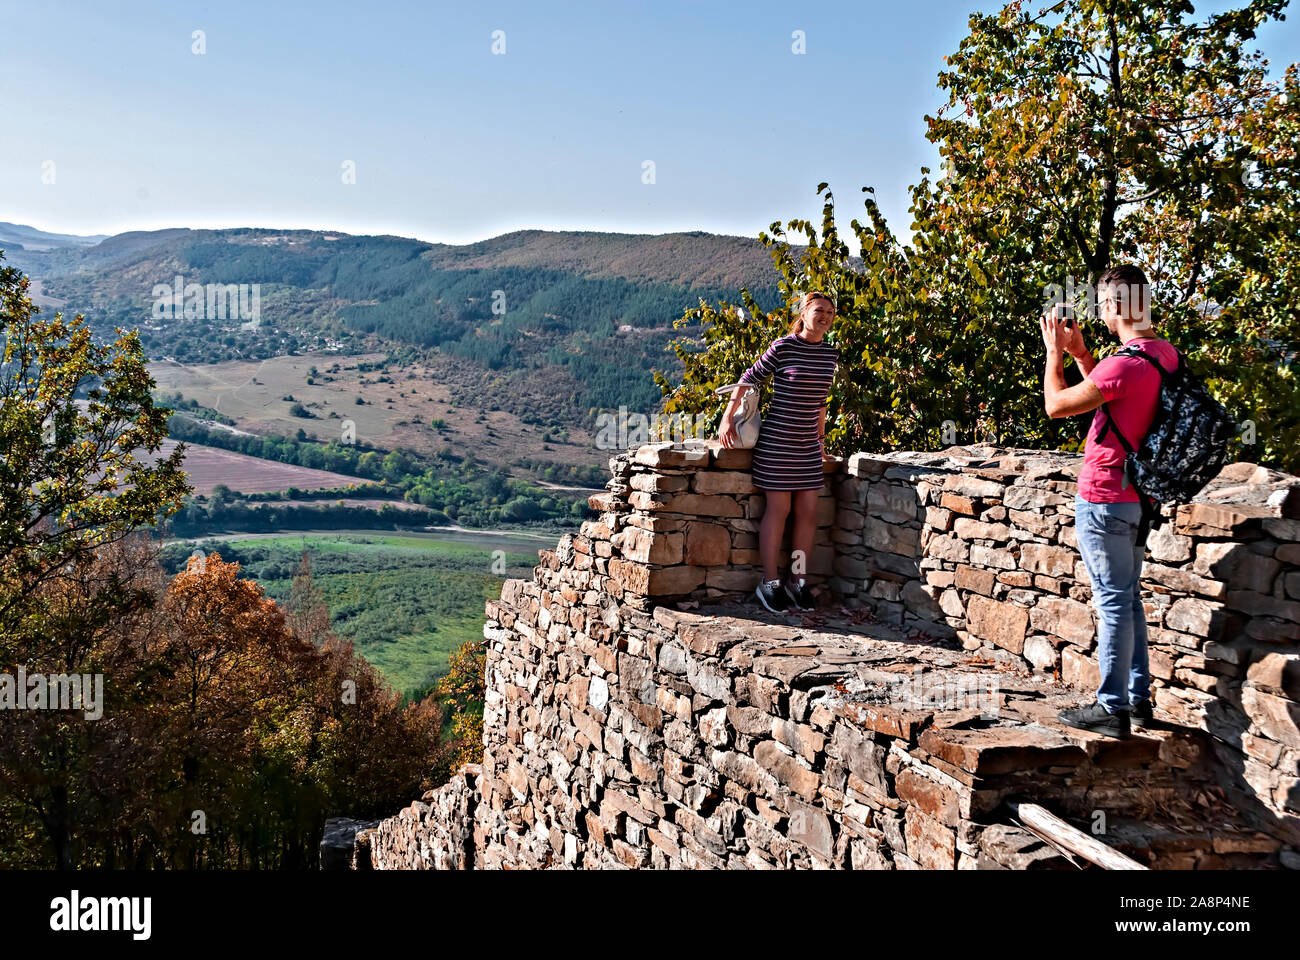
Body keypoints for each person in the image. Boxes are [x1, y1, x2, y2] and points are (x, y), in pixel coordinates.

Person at [1040, 263, 1179, 739]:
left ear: (1118, 305)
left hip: (1105, 496)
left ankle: (1112, 705)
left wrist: (1053, 354)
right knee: (1130, 599)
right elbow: (1111, 395)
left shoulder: (1125, 365)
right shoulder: (1161, 356)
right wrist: (1082, 354)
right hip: (1139, 496)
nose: (1098, 312)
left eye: (1102, 303)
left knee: (1114, 601)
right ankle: (1138, 700)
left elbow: (1057, 406)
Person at [719, 291, 839, 613]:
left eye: (830, 311)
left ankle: (797, 580)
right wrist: (728, 419)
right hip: (777, 443)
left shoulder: (830, 354)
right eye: (819, 310)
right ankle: (769, 582)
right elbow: (748, 379)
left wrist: (821, 442)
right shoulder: (783, 347)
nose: (825, 316)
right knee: (779, 511)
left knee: (808, 514)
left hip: (807, 448)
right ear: (804, 313)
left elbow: (821, 402)